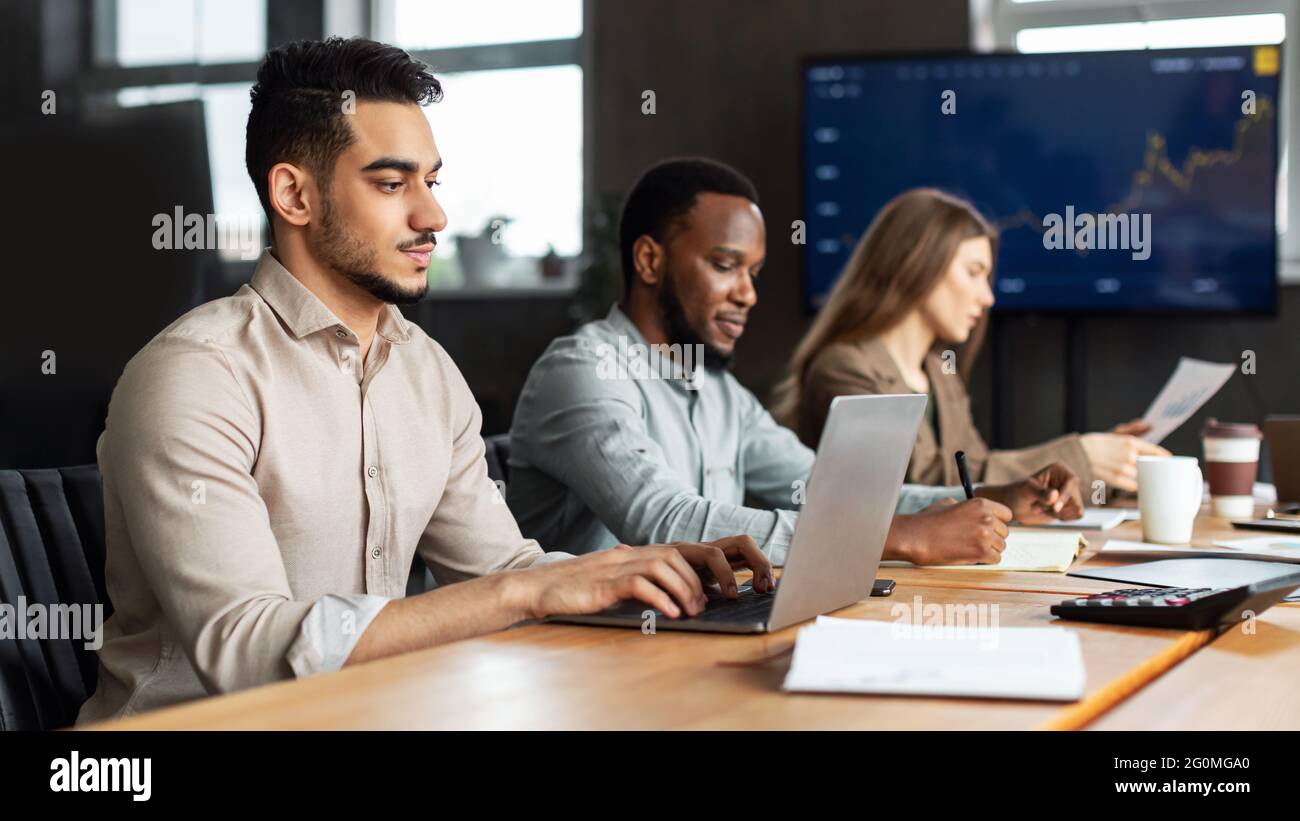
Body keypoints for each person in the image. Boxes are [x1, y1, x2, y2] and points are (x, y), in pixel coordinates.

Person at [77, 41, 771, 725]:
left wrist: (637, 573)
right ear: (293, 194)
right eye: (391, 183)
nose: (433, 216)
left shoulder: (426, 371)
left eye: (431, 182)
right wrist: (527, 591)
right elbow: (247, 647)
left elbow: (500, 568)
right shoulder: (194, 375)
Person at [507, 159, 1082, 571]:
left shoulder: (717, 390)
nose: (748, 294)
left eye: (753, 273)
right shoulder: (582, 370)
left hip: (676, 634)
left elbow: (826, 489)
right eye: (725, 265)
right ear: (650, 260)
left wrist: (997, 495)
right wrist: (897, 537)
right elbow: (662, 519)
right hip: (575, 657)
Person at [774, 187, 1168, 494]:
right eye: (973, 272)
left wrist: (1100, 461)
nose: (987, 297)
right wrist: (1079, 457)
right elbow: (922, 485)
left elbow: (976, 467)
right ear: (918, 262)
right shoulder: (843, 367)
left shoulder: (937, 370)